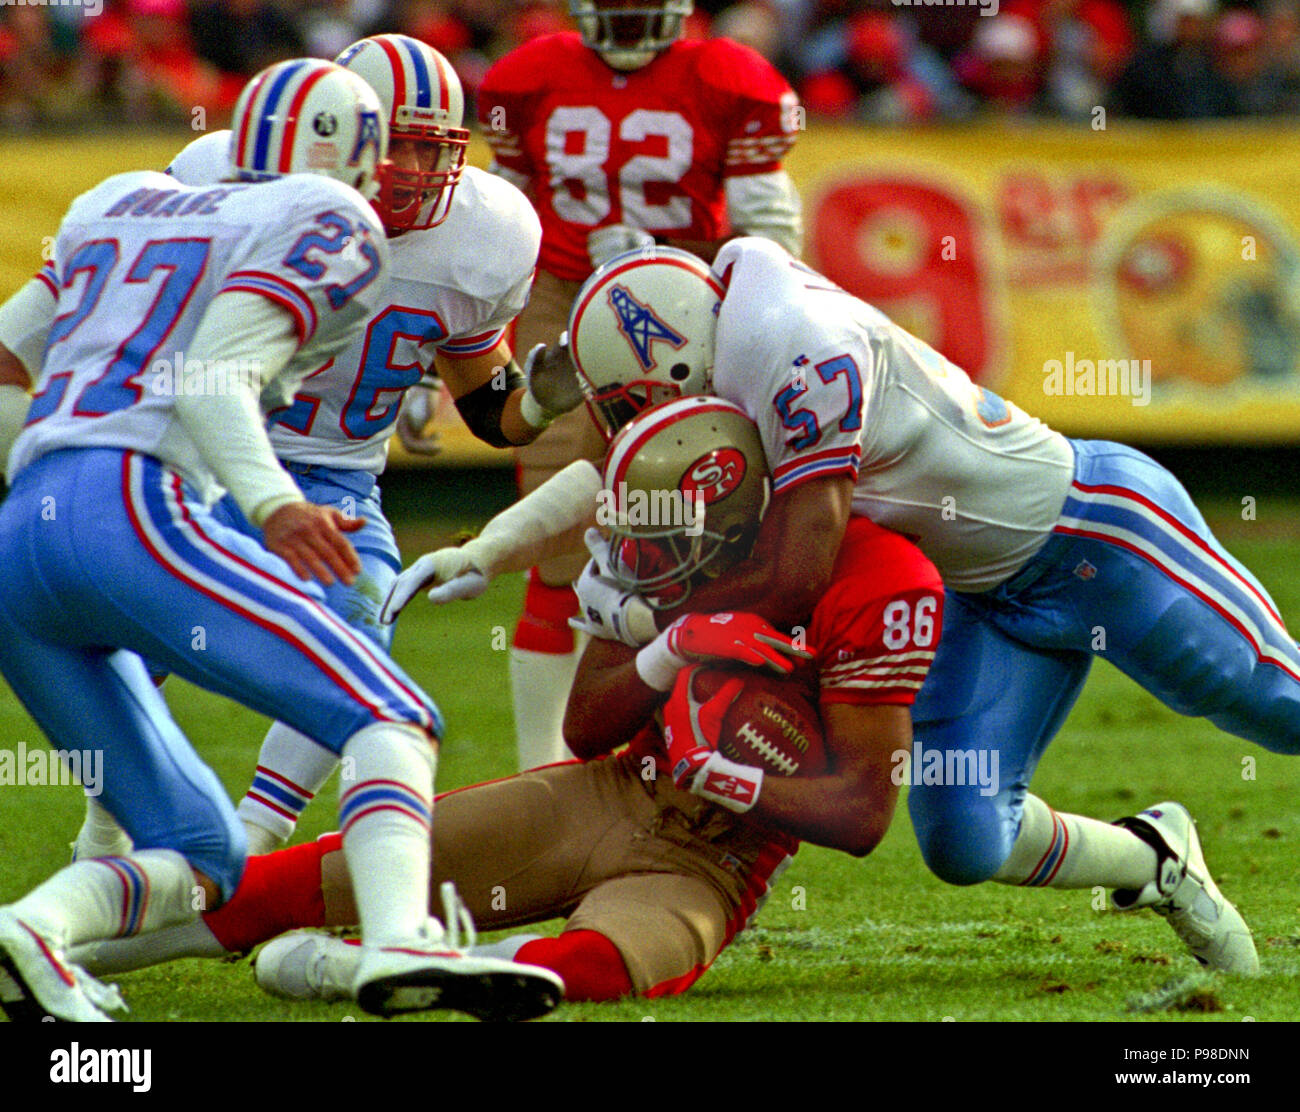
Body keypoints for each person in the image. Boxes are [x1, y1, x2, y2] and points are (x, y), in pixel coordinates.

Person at [392, 239, 1280, 975]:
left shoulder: (789, 345)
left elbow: (798, 572)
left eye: (643, 402)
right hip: (984, 592)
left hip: (1095, 538)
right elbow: (623, 475)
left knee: (1282, 708)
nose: (640, 425)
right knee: (968, 838)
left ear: (681, 362)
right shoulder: (707, 325)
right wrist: (488, 549)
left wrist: (649, 625)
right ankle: (1160, 859)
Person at [0, 57, 561, 1023]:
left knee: (201, 850)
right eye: (392, 145)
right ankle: (397, 944)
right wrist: (271, 507)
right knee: (391, 713)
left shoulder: (122, 199)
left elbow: (11, 350)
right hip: (167, 487)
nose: (408, 169)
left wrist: (33, 479)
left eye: (430, 147)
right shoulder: (325, 216)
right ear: (352, 146)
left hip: (38, 526)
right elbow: (219, 383)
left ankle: (40, 927)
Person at [65, 396, 944, 1002]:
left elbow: (865, 813)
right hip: (607, 791)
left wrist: (731, 779)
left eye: (670, 544)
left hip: (712, 859)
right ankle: (41, 944)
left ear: (743, 516)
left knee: (595, 969)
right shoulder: (656, 533)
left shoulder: (875, 581)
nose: (644, 563)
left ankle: (389, 966)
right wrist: (670, 649)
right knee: (290, 882)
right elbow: (587, 726)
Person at [478, 0, 804, 770]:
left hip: (688, 295)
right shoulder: (529, 76)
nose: (625, 21)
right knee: (556, 537)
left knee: (691, 522)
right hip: (560, 296)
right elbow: (494, 226)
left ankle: (687, 746)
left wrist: (698, 273)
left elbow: (770, 240)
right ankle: (542, 774)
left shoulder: (728, 76)